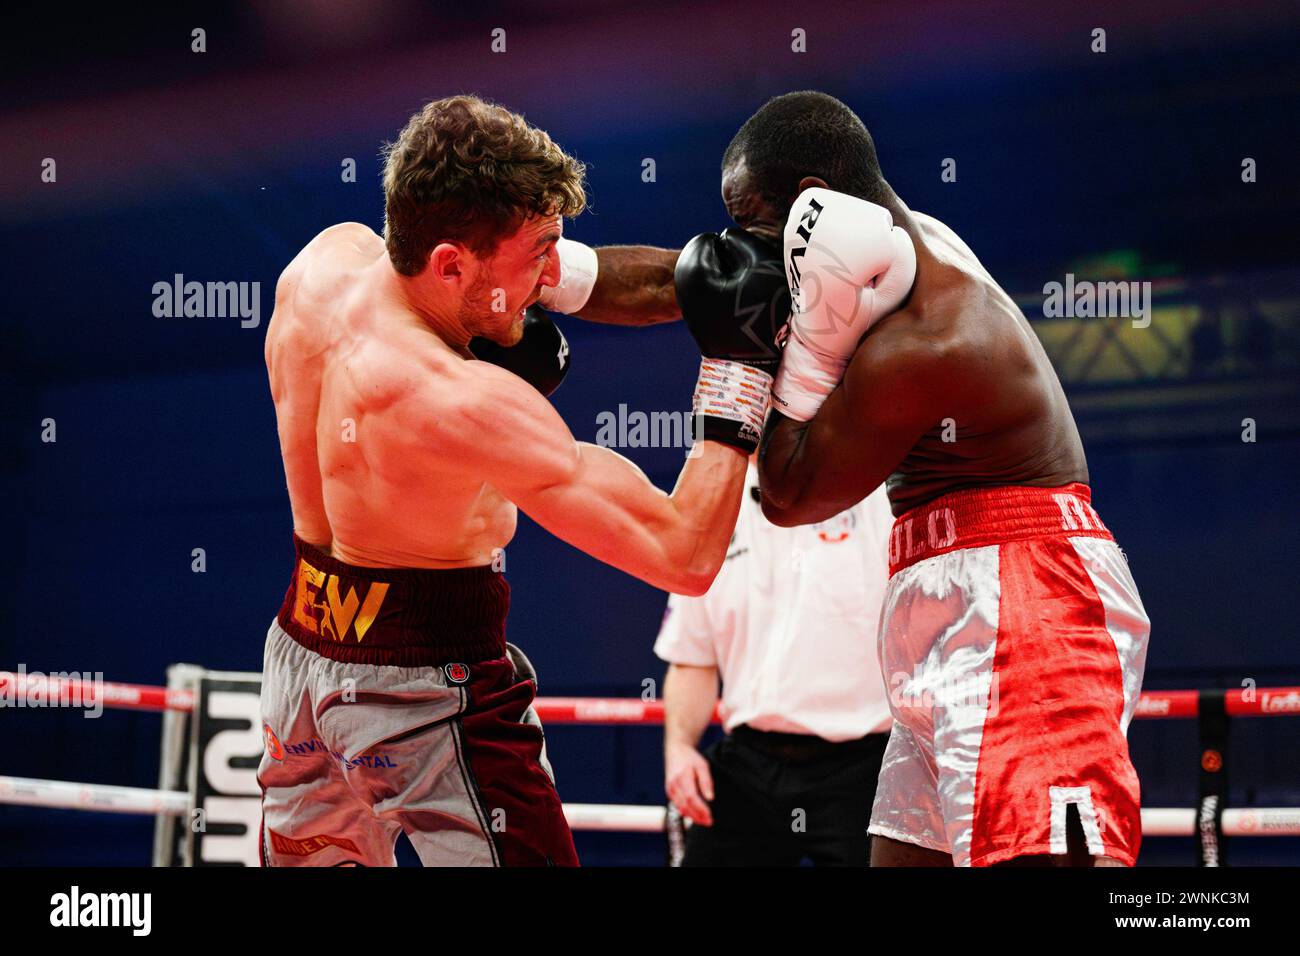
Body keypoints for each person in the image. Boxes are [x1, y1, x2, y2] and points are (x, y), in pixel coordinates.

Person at [257, 95, 782, 866]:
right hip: (427, 688)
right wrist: (740, 364)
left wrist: (705, 278)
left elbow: (562, 276)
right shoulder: (460, 400)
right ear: (451, 263)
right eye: (539, 249)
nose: (549, 271)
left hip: (299, 660)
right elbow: (686, 554)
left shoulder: (323, 265)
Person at [726, 91, 1150, 867]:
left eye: (753, 219)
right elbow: (701, 276)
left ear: (810, 204)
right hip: (943, 601)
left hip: (1025, 607)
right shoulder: (901, 254)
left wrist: (768, 362)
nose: (743, 243)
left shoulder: (926, 340)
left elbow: (785, 494)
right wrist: (558, 279)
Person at [657, 454, 892, 866]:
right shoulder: (714, 509)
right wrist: (679, 748)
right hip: (749, 765)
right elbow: (692, 657)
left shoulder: (879, 492)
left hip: (867, 768)